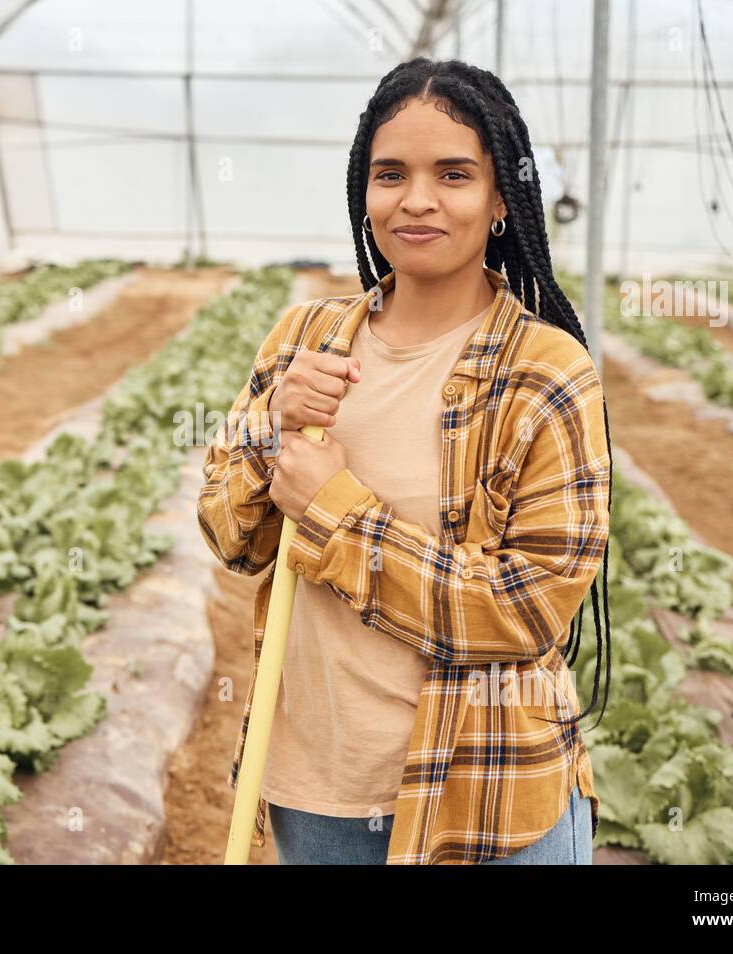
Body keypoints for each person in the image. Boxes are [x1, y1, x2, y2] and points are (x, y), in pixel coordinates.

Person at [198, 58, 613, 865]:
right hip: (314, 793)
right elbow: (231, 539)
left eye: (453, 174)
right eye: (391, 174)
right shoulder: (305, 339)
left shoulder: (548, 373)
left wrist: (338, 514)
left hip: (487, 800)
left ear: (500, 201)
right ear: (364, 191)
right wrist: (269, 434)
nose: (416, 200)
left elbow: (525, 610)